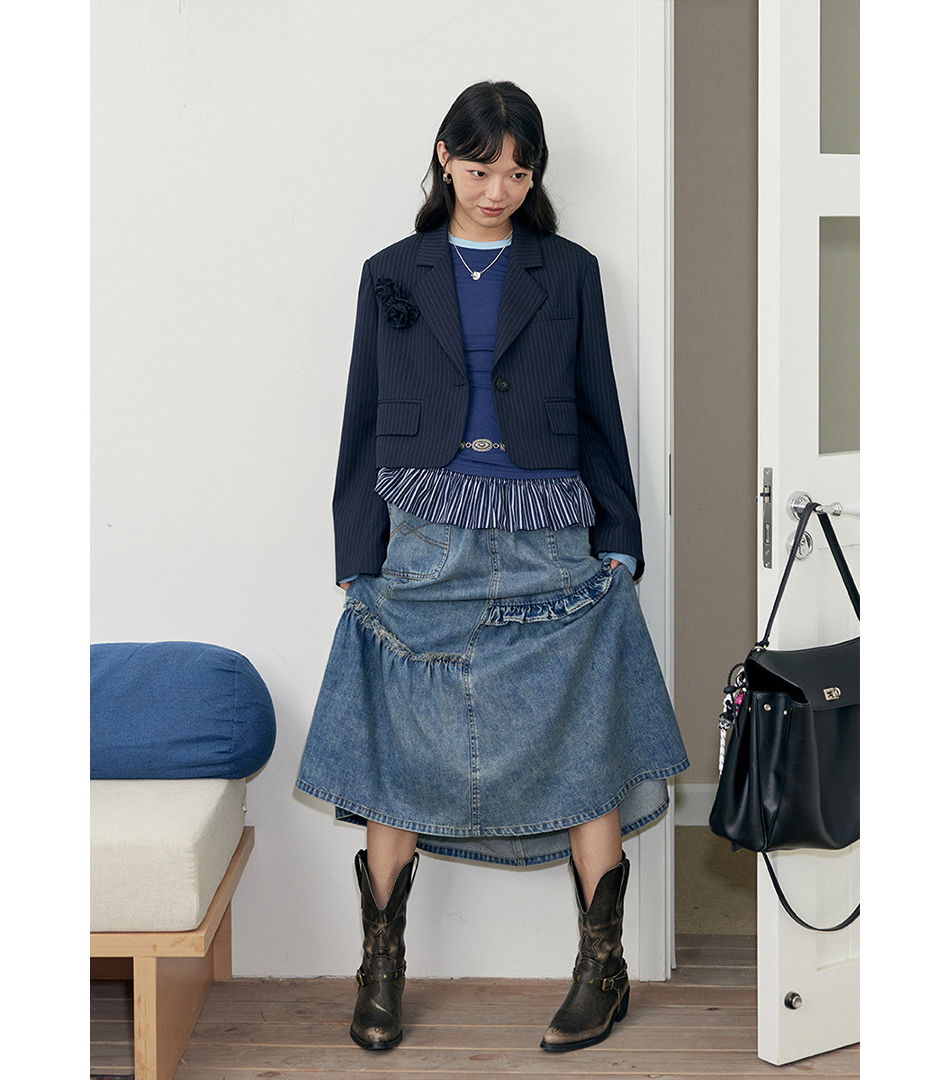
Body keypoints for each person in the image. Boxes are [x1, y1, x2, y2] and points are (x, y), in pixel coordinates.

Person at [296, 80, 688, 1054]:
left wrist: (620, 536)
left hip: (552, 531)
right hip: (425, 535)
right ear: (444, 157)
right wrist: (357, 552)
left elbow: (599, 407)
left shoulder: (572, 271)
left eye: (518, 172)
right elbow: (363, 414)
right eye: (480, 170)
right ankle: (379, 968)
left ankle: (603, 970)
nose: (498, 189)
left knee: (584, 740)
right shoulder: (392, 273)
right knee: (399, 750)